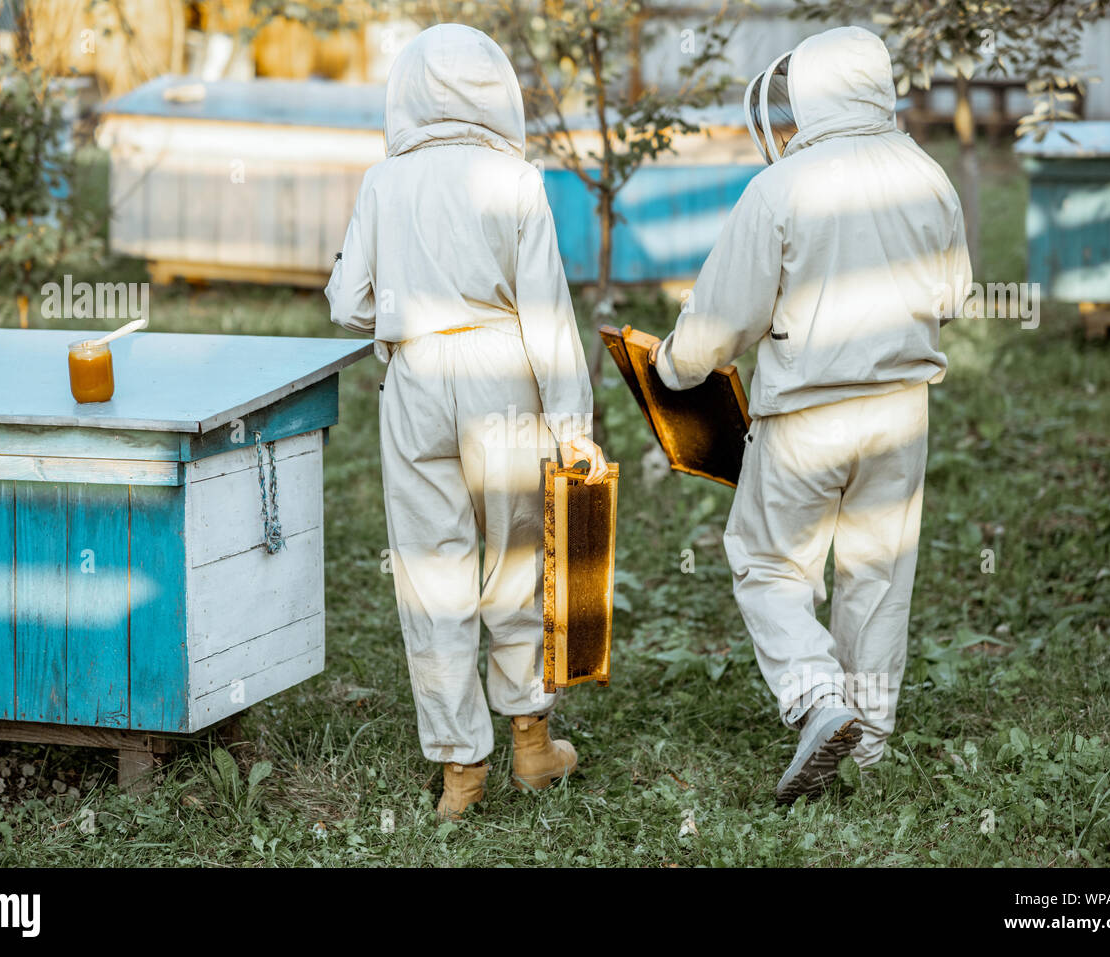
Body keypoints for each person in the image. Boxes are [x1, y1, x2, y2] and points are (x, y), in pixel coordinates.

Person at [650, 26, 972, 803]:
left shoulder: (782, 188)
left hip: (804, 417)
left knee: (771, 565)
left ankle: (817, 699)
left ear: (816, 92)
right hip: (900, 414)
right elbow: (954, 298)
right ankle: (869, 744)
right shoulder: (928, 176)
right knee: (879, 573)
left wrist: (670, 364)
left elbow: (723, 320)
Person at [326, 23, 609, 820]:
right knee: (515, 556)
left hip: (415, 375)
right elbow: (548, 311)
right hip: (504, 374)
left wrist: (409, 312)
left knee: (431, 569)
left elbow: (348, 303)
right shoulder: (516, 179)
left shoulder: (384, 182)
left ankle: (461, 773)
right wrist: (571, 422)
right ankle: (531, 742)